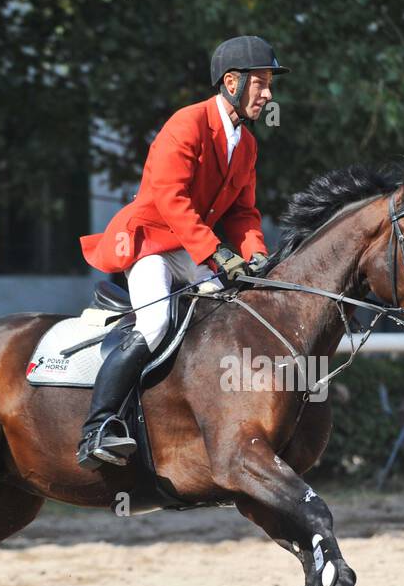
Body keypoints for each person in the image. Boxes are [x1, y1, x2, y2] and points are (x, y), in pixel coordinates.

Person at [74, 35, 288, 469]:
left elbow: (244, 213)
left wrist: (256, 255)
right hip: (151, 241)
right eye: (261, 83)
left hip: (190, 247)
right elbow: (172, 199)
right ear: (232, 81)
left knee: (228, 313)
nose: (268, 94)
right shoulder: (187, 124)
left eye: (269, 85)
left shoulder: (246, 144)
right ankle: (97, 427)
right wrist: (215, 252)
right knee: (154, 323)